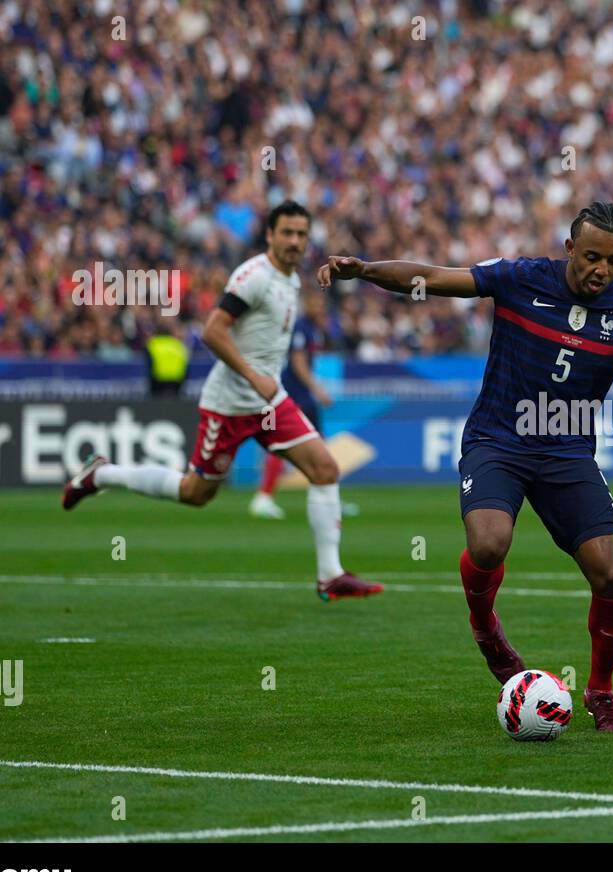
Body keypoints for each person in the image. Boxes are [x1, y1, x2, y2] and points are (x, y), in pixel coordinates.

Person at [318, 201, 613, 731]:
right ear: (570, 248)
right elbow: (435, 278)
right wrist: (365, 270)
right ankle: (485, 628)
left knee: (612, 575)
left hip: (568, 452)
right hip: (497, 439)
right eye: (592, 256)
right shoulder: (521, 278)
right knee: (488, 543)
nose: (602, 269)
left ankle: (601, 690)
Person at [62, 200, 382, 602]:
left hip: (270, 402)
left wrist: (265, 383)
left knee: (324, 468)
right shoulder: (253, 276)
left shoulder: (292, 280)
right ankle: (101, 475)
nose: (295, 241)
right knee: (196, 493)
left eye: (301, 234)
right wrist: (253, 376)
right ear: (269, 234)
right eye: (287, 233)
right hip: (229, 404)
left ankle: (330, 575)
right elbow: (213, 331)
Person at [249, 294, 360, 520]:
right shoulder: (301, 327)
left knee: (318, 444)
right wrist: (316, 388)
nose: (318, 307)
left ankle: (329, 499)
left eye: (321, 304)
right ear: (306, 304)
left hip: (303, 396)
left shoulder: (313, 328)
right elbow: (298, 363)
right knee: (285, 445)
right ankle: (263, 497)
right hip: (294, 395)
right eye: (315, 302)